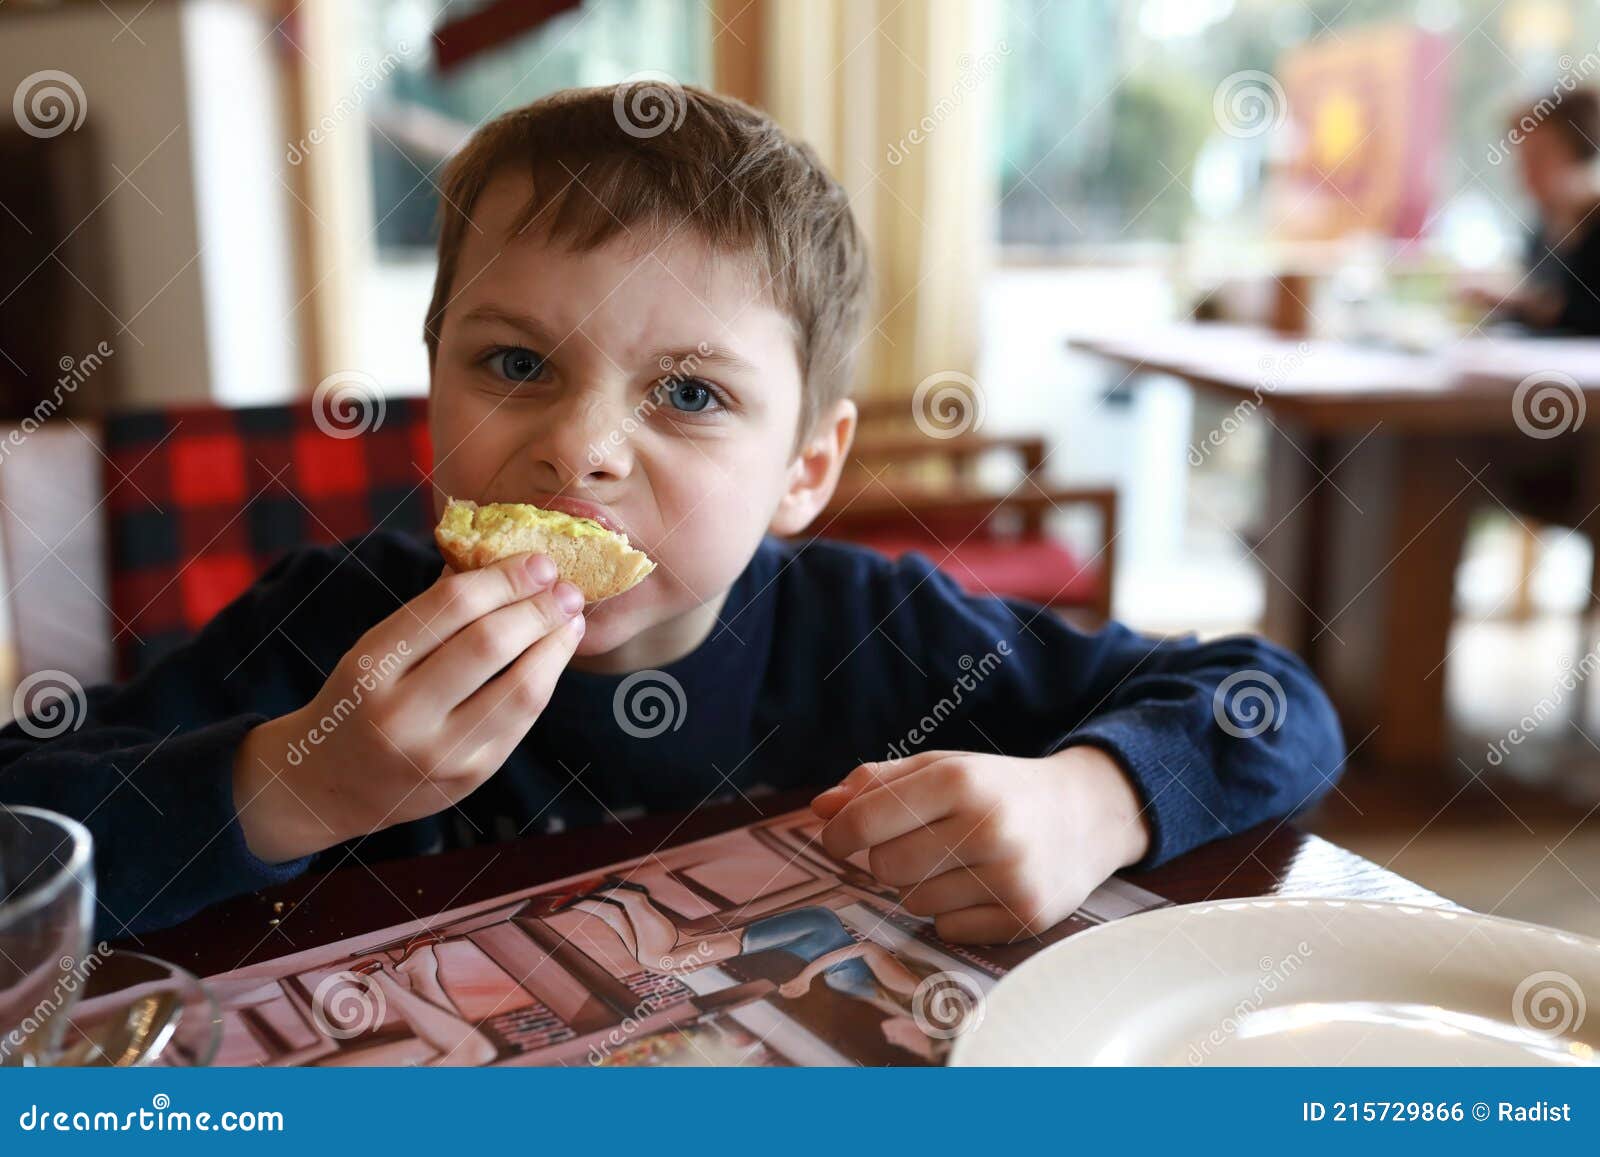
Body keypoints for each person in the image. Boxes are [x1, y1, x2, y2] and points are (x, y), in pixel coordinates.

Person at [0, 83, 1343, 946]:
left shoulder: (878, 635)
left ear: (805, 468)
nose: (578, 452)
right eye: (514, 364)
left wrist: (1090, 801)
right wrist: (285, 784)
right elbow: (23, 839)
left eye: (689, 392)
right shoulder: (327, 629)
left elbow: (1267, 700)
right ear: (433, 390)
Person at [1468, 89, 1600, 334]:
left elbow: (1583, 315)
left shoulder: (1593, 228)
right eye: (1521, 159)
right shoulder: (1541, 228)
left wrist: (1519, 303)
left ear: (1578, 153)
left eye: (1538, 157)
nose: (1525, 172)